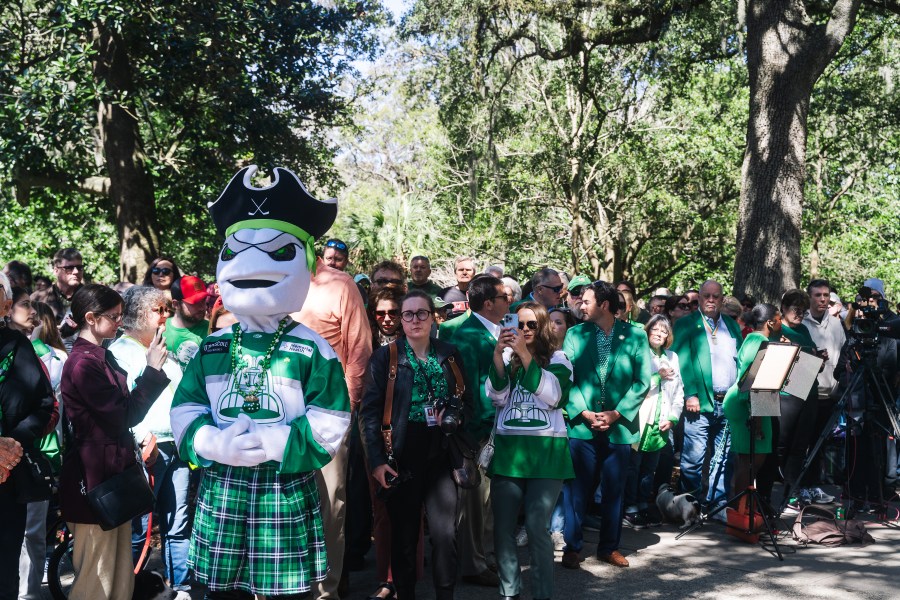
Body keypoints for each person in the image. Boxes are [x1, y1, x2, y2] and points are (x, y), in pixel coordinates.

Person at [59, 284, 170, 600]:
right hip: (95, 480)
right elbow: (124, 415)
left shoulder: (100, 357)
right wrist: (152, 370)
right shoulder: (83, 363)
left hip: (112, 475)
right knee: (96, 579)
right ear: (90, 318)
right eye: (113, 316)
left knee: (119, 577)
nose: (120, 322)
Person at [360, 290, 472, 600]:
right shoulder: (386, 357)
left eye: (421, 313)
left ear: (433, 317)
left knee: (445, 534)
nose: (414, 320)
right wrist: (377, 461)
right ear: (401, 320)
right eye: (407, 314)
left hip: (441, 454)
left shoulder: (449, 355)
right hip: (401, 455)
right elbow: (369, 414)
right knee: (404, 536)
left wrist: (455, 416)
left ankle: (445, 595)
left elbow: (468, 403)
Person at [293, 253, 372, 600]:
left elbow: (359, 349)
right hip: (274, 416)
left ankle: (325, 591)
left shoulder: (340, 284)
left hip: (327, 414)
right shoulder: (266, 281)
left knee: (329, 503)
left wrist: (347, 408)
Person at [560, 280, 651, 569]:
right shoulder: (575, 334)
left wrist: (617, 413)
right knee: (576, 491)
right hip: (582, 425)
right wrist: (583, 412)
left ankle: (609, 548)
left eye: (586, 301)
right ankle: (572, 547)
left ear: (605, 305)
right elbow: (566, 377)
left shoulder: (635, 335)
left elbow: (642, 381)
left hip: (619, 427)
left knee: (614, 492)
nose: (580, 305)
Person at [108, 287, 191, 597]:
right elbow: (123, 403)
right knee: (139, 528)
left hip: (175, 447)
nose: (166, 315)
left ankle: (180, 588)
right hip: (146, 449)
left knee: (178, 522)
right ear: (139, 314)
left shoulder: (162, 348)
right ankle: (129, 589)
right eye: (159, 310)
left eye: (166, 309)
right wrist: (142, 437)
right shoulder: (120, 351)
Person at [486, 301, 573, 600]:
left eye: (531, 324)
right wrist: (498, 357)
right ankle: (509, 592)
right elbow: (496, 397)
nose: (524, 329)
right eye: (519, 324)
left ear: (543, 327)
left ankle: (542, 594)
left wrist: (524, 355)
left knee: (537, 526)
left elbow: (553, 396)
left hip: (547, 455)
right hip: (509, 454)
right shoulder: (506, 356)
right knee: (503, 529)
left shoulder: (560, 359)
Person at [438, 275, 509, 586]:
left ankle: (483, 556)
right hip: (478, 431)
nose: (509, 301)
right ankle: (473, 564)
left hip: (496, 426)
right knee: (475, 501)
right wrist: (478, 428)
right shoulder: (467, 335)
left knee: (487, 500)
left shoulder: (496, 330)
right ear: (489, 303)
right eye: (504, 297)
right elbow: (464, 388)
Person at [0, 272, 55, 600]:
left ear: (6, 304)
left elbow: (45, 404)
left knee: (5, 566)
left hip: (8, 474)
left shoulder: (17, 344)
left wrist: (11, 444)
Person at [672, 280, 742, 515]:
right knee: (694, 458)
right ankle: (689, 506)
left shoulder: (731, 325)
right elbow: (682, 361)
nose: (711, 300)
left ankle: (717, 505)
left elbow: (740, 359)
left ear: (722, 299)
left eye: (716, 296)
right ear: (699, 299)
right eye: (706, 296)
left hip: (728, 401)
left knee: (724, 458)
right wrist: (690, 394)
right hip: (699, 402)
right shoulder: (687, 324)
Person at [623, 315, 684, 528]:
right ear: (647, 331)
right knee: (633, 466)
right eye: (655, 329)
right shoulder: (639, 353)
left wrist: (673, 417)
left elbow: (679, 390)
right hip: (640, 419)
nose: (659, 334)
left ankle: (642, 504)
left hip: (661, 421)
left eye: (664, 331)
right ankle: (629, 508)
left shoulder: (672, 357)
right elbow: (634, 386)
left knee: (650, 468)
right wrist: (657, 376)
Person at [722, 304, 780, 496]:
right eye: (779, 319)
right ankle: (738, 508)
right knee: (750, 462)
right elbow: (751, 378)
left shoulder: (755, 338)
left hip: (759, 403)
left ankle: (744, 506)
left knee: (750, 461)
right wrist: (756, 415)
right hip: (749, 404)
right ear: (770, 322)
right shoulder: (758, 341)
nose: (781, 323)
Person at [166, 275, 210, 371]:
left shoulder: (212, 331)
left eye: (203, 300)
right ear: (176, 304)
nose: (202, 307)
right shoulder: (159, 330)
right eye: (195, 302)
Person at [39, 248, 84, 323]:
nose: (76, 272)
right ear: (56, 271)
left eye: (79, 268)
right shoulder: (39, 298)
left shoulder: (93, 297)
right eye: (69, 268)